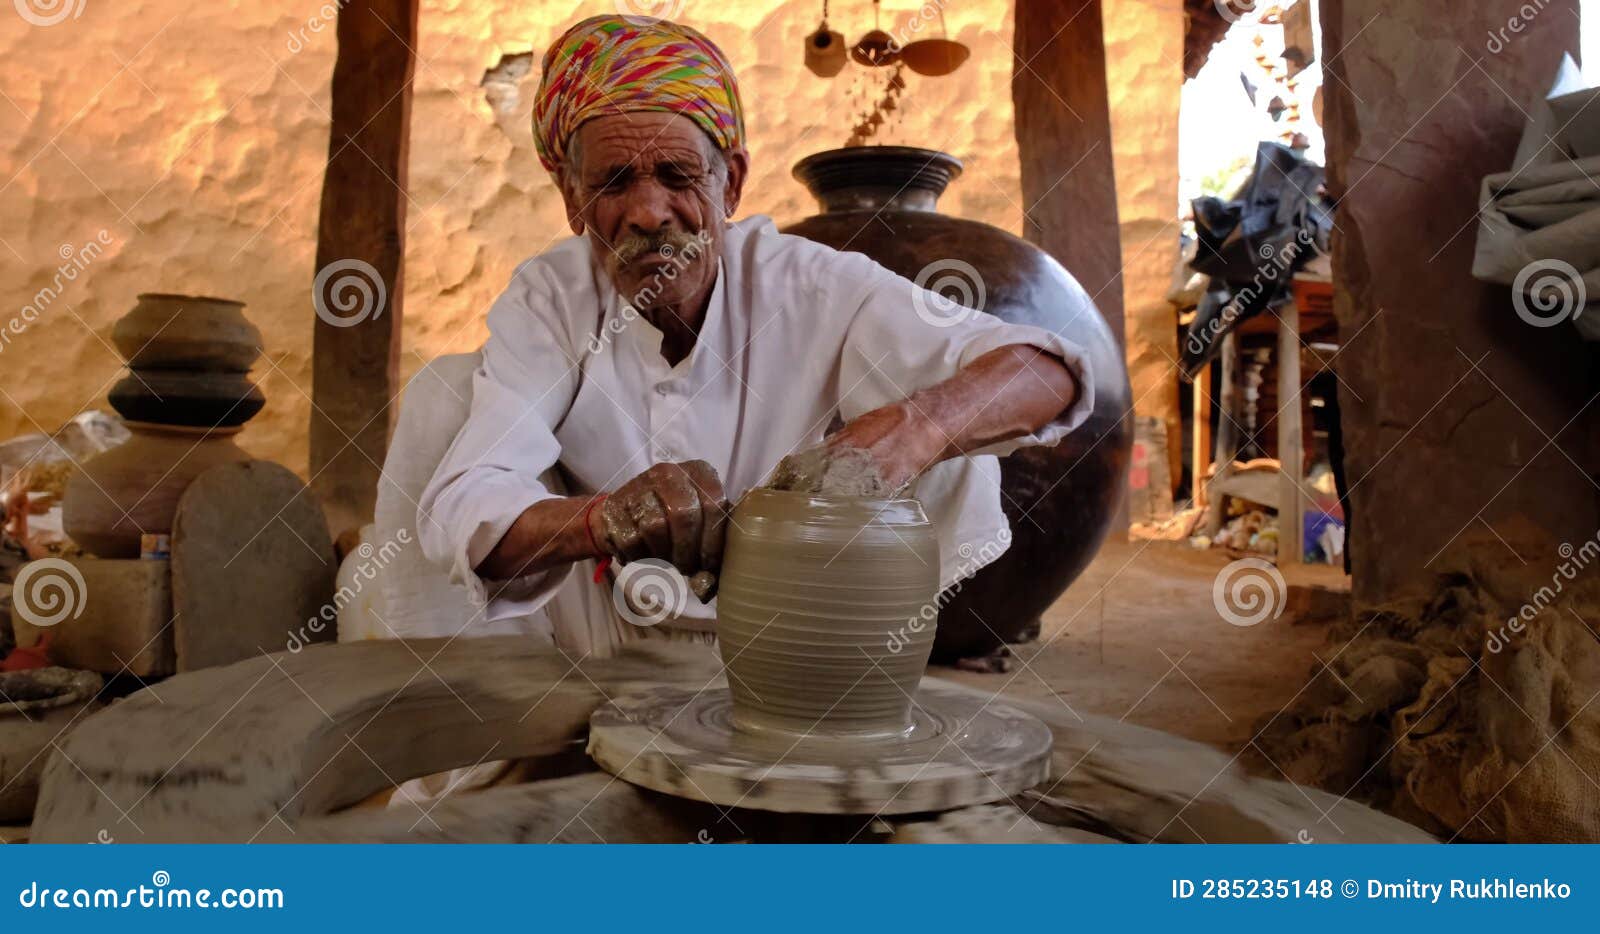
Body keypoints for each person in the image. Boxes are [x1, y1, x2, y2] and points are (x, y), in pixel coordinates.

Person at [417, 14, 1098, 657]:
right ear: (571, 198)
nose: (649, 211)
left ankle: (842, 710)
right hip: (610, 639)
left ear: (731, 183)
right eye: (614, 182)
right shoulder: (552, 298)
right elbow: (466, 501)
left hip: (805, 639)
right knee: (441, 397)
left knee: (946, 421)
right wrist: (606, 519)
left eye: (678, 176)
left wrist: (909, 432)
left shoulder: (812, 283)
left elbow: (1049, 372)